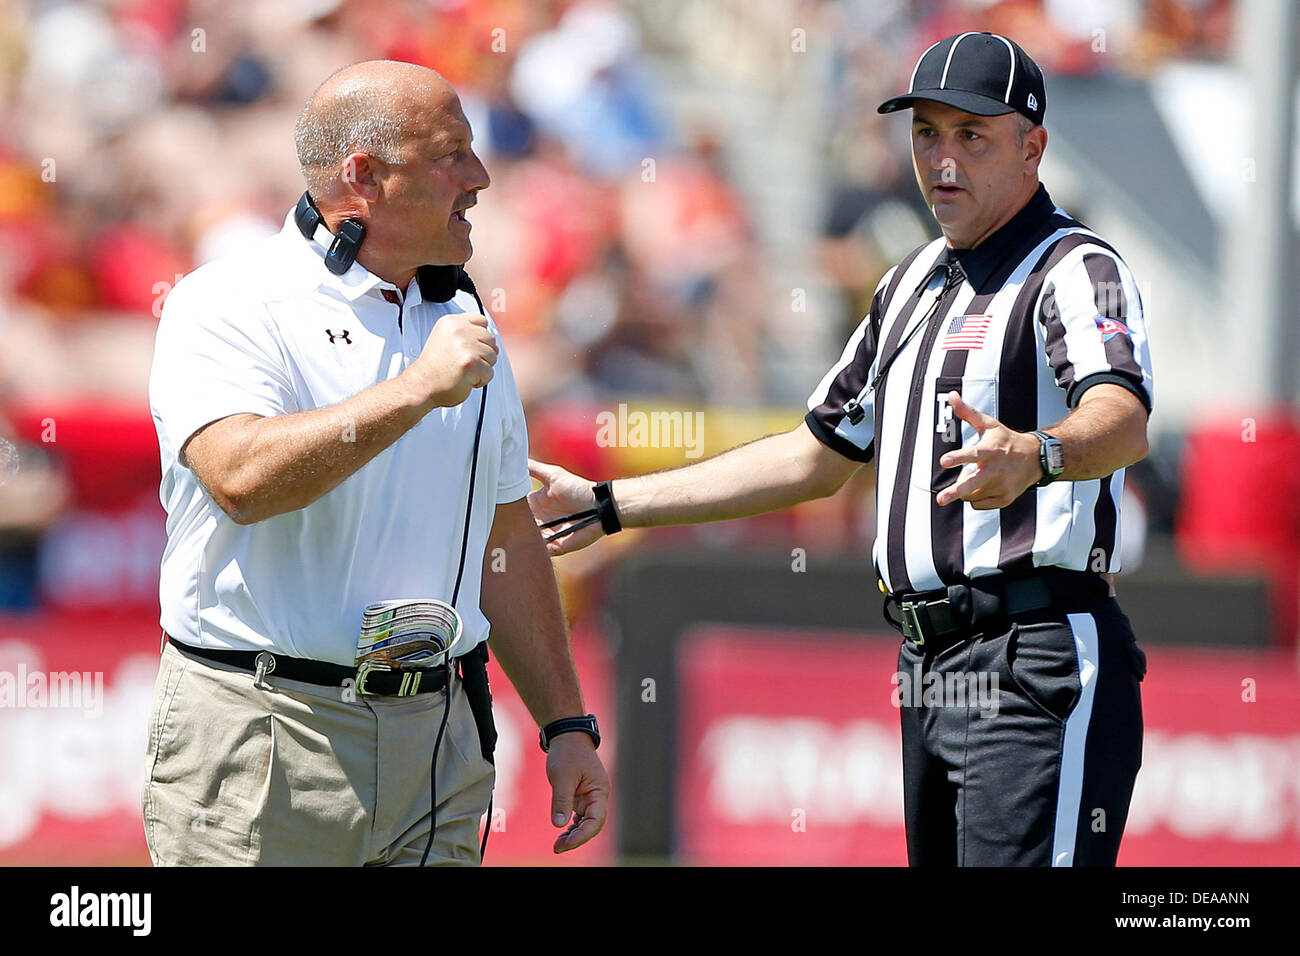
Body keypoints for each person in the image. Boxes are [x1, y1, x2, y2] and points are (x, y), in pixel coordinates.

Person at [530, 32, 1152, 867]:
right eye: (927, 133)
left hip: (1033, 649)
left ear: (1032, 145)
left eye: (973, 135)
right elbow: (813, 457)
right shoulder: (913, 282)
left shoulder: (1076, 266)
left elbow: (1120, 415)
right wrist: (612, 503)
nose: (943, 158)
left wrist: (1036, 454)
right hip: (931, 664)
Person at [144, 60, 609, 866]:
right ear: (362, 176)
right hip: (265, 734)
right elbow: (242, 480)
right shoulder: (224, 301)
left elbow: (504, 531)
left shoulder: (462, 310)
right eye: (450, 154)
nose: (481, 177)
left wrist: (565, 725)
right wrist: (417, 388)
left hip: (439, 742)